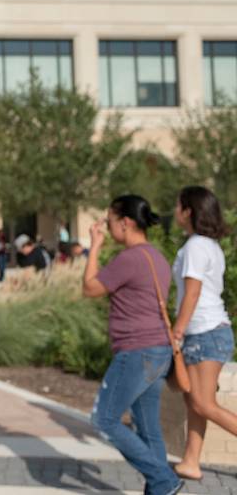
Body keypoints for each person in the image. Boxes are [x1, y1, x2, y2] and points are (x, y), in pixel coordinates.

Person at [83, 195, 183, 495]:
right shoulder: (156, 257)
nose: (107, 226)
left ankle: (163, 479)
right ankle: (159, 489)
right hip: (159, 351)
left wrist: (96, 246)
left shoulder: (129, 258)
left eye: (110, 220)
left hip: (136, 351)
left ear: (125, 223)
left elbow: (90, 288)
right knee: (148, 426)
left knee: (104, 420)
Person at [170, 186, 236, 481]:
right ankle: (190, 462)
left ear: (189, 211)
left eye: (178, 205)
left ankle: (191, 461)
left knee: (202, 403)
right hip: (210, 331)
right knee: (195, 402)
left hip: (204, 331)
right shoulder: (207, 245)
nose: (174, 211)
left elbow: (193, 292)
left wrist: (177, 331)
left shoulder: (196, 246)